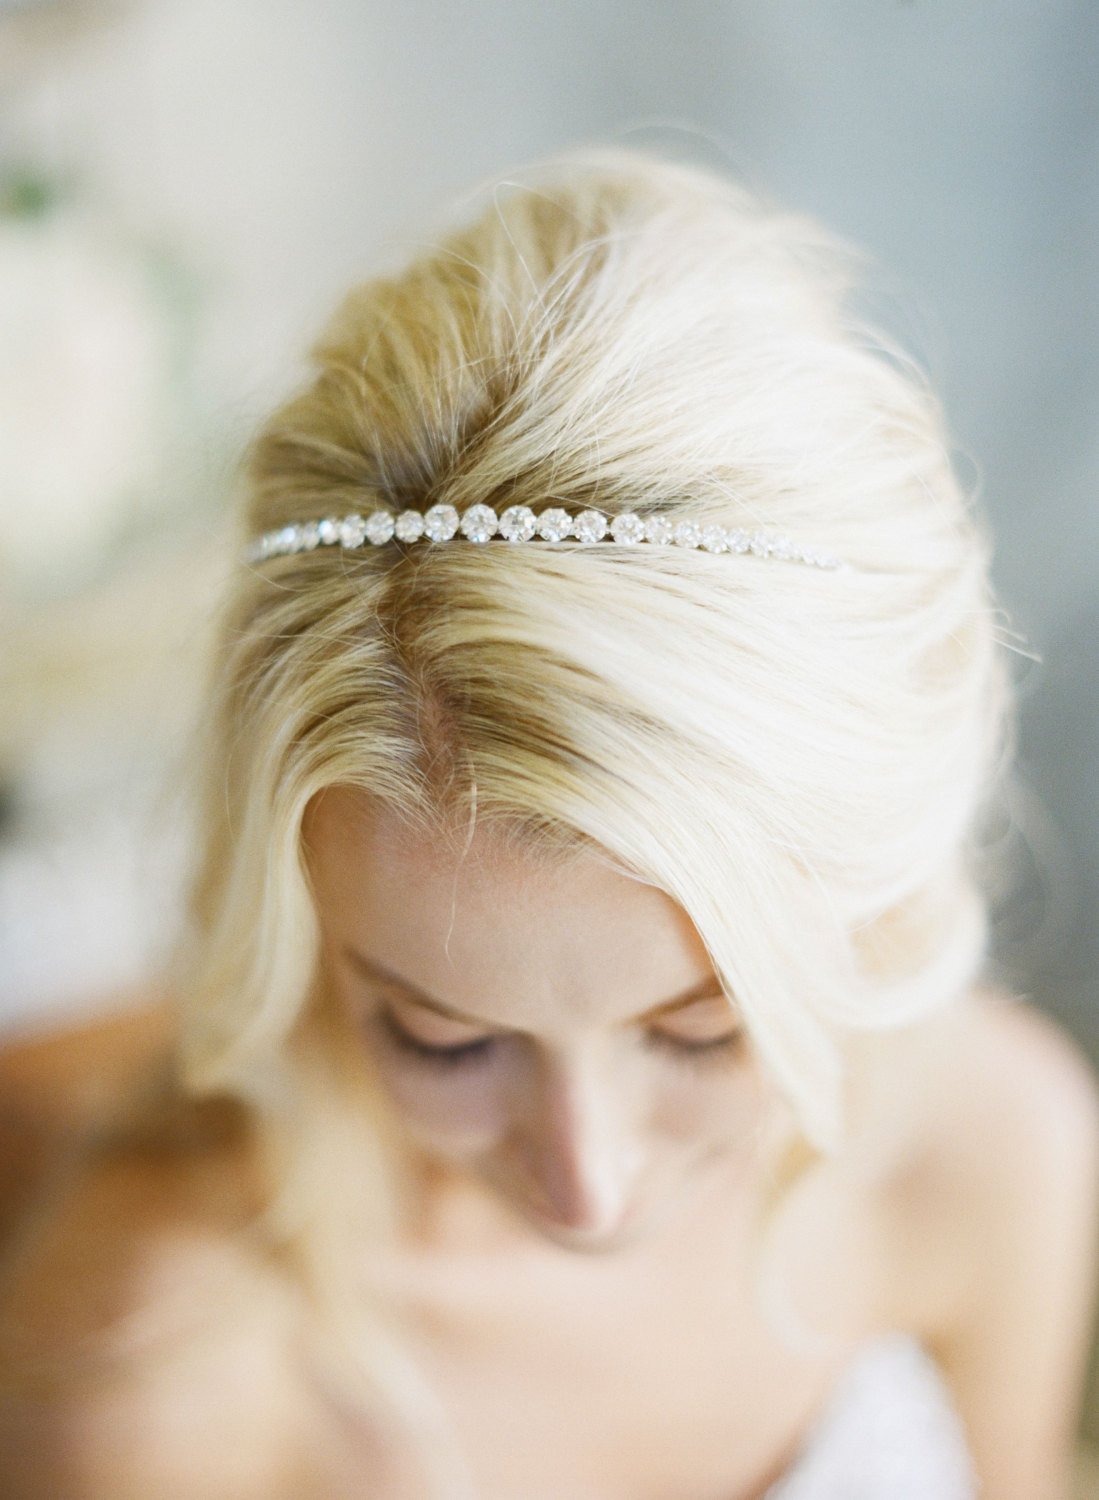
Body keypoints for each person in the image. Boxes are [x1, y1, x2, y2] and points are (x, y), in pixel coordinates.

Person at [1, 147, 1098, 1500]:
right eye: (443, 1039)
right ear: (300, 922)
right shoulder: (154, 1378)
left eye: (706, 1031)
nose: (590, 1183)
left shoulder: (992, 1144)